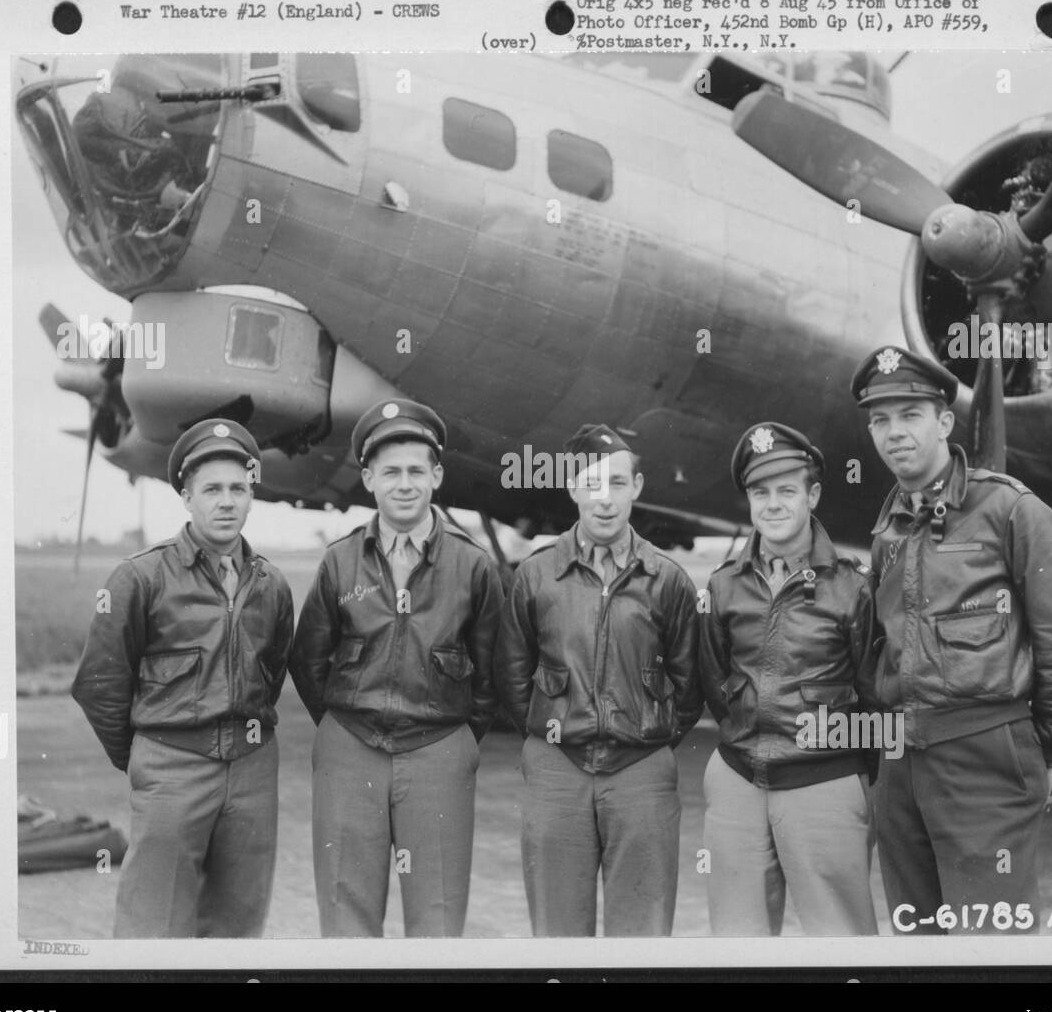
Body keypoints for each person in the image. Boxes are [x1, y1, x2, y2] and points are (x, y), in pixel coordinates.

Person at [850, 345, 1052, 934]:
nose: (894, 434)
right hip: (900, 767)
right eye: (880, 420)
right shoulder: (888, 528)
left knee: (993, 946)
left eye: (910, 415)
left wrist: (1037, 751)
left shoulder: (1010, 510)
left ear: (944, 421)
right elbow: (880, 652)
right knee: (921, 944)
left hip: (983, 758)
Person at [72, 418, 294, 938]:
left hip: (252, 769)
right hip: (171, 765)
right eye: (211, 489)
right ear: (186, 496)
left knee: (237, 925)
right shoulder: (140, 577)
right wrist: (148, 756)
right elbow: (100, 683)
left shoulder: (272, 583)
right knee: (153, 926)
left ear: (251, 496)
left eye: (238, 489)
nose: (226, 502)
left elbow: (273, 671)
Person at [288, 400, 503, 937]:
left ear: (436, 476)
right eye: (390, 472)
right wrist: (344, 724)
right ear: (368, 479)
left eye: (415, 471)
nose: (403, 485)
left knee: (437, 917)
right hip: (350, 748)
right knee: (345, 914)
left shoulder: (473, 565)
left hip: (438, 750)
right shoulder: (339, 561)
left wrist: (456, 737)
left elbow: (494, 668)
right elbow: (308, 658)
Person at [494, 424, 701, 936]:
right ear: (572, 488)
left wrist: (648, 731)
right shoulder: (536, 575)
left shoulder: (668, 579)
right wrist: (550, 730)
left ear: (637, 488)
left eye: (616, 483)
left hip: (642, 771)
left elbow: (689, 683)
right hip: (557, 769)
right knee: (558, 936)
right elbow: (512, 672)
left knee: (643, 938)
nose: (604, 499)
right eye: (591, 483)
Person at [699, 422, 878, 936]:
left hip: (824, 781)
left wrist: (849, 773)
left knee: (841, 940)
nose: (772, 504)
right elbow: (716, 682)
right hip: (738, 781)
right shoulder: (724, 585)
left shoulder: (852, 586)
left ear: (812, 494)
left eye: (786, 491)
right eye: (760, 492)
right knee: (739, 946)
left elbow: (874, 693)